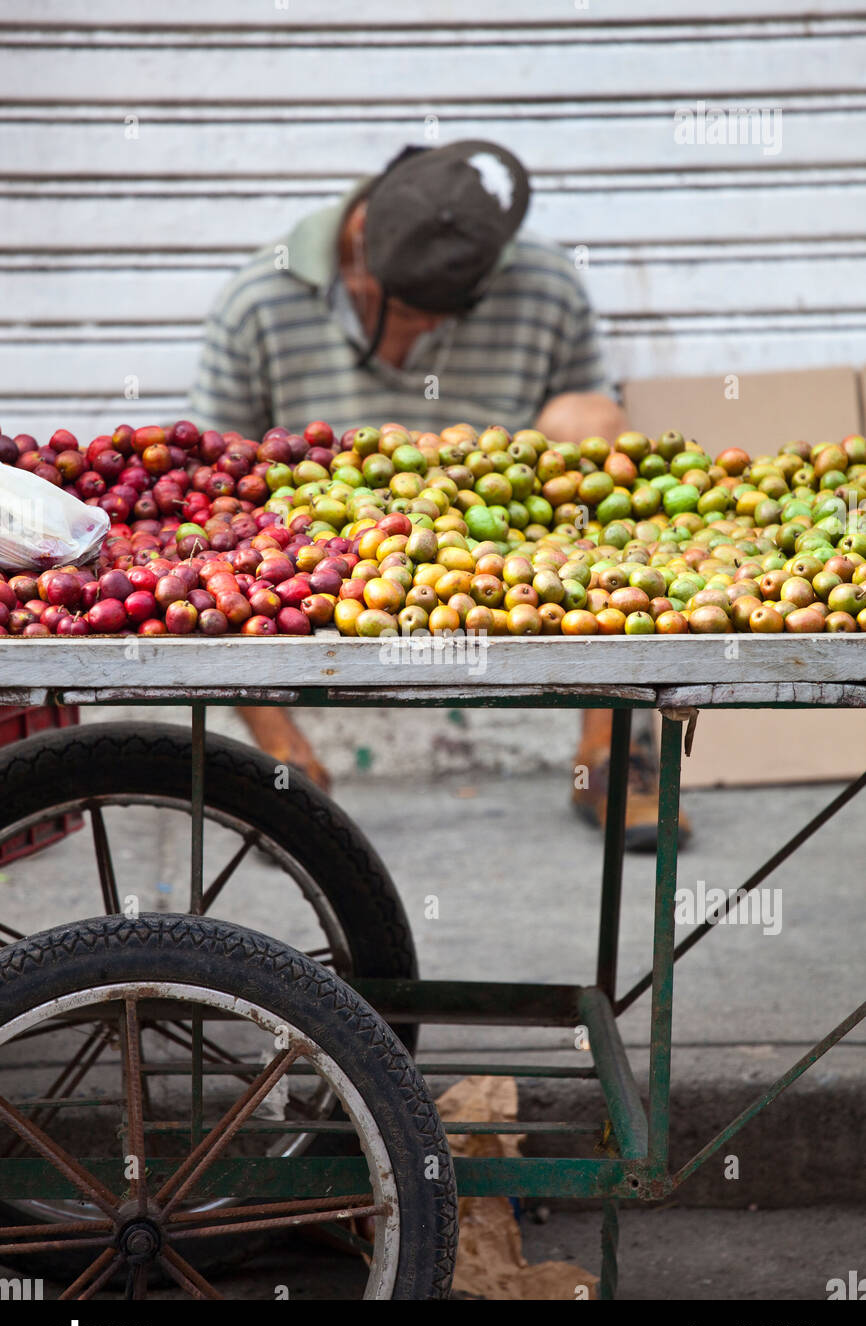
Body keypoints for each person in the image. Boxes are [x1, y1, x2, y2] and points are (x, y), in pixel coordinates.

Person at [189, 139, 685, 846]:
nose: (429, 333)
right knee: (217, 530)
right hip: (324, 550)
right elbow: (211, 470)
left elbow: (589, 425)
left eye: (446, 316)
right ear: (357, 246)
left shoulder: (544, 281)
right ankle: (281, 766)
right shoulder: (259, 299)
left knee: (596, 424)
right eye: (415, 313)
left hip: (503, 539)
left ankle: (613, 751)